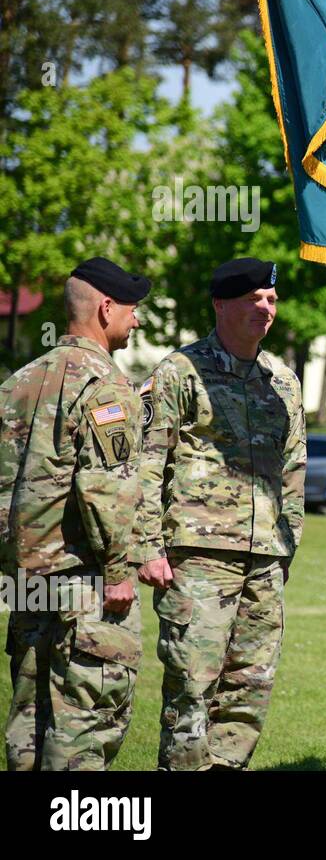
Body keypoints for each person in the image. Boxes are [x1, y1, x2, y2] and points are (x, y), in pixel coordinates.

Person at [133, 257, 305, 770]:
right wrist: (147, 546)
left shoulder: (283, 381)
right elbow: (147, 465)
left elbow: (294, 466)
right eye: (253, 299)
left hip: (265, 559)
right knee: (192, 686)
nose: (265, 309)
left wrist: (288, 542)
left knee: (249, 692)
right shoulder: (179, 372)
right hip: (198, 558)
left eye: (271, 299)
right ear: (220, 304)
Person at [1, 258, 150, 770]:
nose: (137, 321)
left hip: (25, 583)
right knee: (86, 724)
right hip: (81, 584)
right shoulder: (106, 385)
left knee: (28, 723)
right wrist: (119, 572)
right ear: (106, 309)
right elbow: (106, 491)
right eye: (132, 311)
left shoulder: (17, 382)